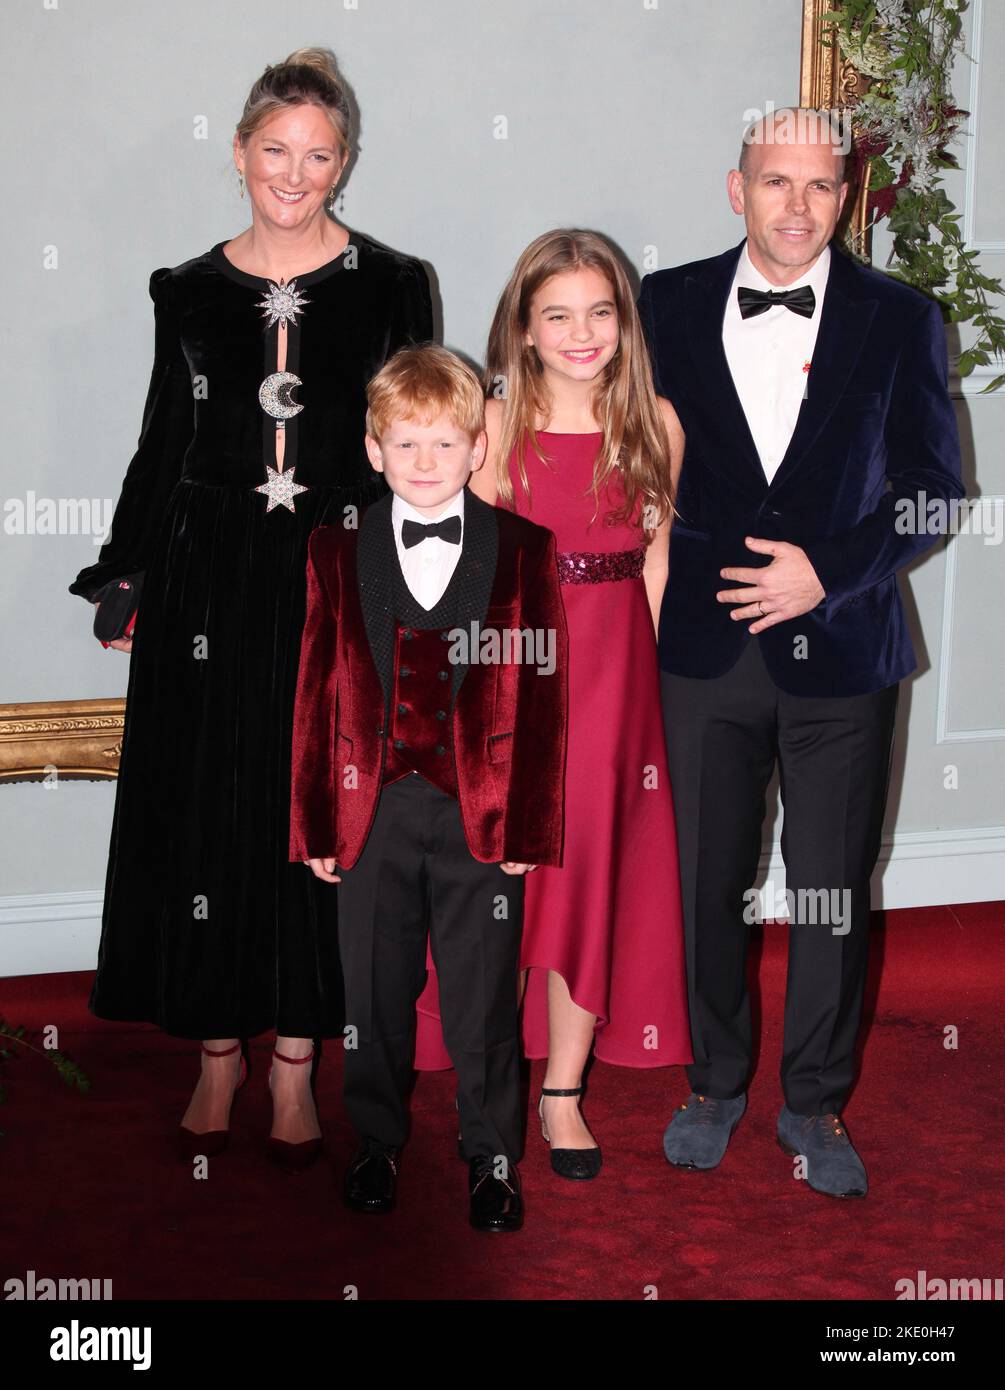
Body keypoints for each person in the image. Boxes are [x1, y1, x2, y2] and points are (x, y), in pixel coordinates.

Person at [68, 48, 432, 1171]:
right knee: (208, 809)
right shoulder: (185, 290)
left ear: (344, 163)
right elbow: (161, 444)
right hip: (205, 578)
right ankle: (219, 1047)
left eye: (319, 154)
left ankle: (295, 1061)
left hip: (334, 574)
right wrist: (127, 572)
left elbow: (407, 443)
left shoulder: (392, 283)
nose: (295, 171)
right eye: (276, 149)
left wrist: (409, 585)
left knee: (312, 814)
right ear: (238, 153)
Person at [640, 108, 965, 1196]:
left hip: (847, 648)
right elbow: (614, 458)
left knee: (829, 889)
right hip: (702, 647)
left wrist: (828, 571)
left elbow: (934, 491)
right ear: (737, 190)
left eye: (820, 187)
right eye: (776, 183)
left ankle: (816, 1103)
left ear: (847, 196)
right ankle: (714, 1082)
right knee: (709, 884)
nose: (797, 206)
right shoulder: (661, 304)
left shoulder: (903, 317)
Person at [414, 229, 693, 1179]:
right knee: (502, 883)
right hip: (514, 676)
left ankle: (562, 1091)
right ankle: (487, 1073)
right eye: (557, 316)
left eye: (599, 313)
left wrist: (640, 694)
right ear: (524, 329)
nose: (582, 334)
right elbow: (463, 574)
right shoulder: (489, 425)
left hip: (618, 683)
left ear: (623, 322)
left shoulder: (655, 422)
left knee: (590, 880)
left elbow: (653, 562)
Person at [289, 345, 568, 1231]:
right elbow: (313, 688)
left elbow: (542, 694)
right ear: (373, 450)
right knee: (372, 993)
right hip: (369, 811)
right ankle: (376, 1140)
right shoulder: (336, 550)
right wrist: (316, 822)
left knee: (481, 994)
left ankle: (492, 1155)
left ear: (477, 447)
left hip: (477, 815)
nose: (423, 463)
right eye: (404, 445)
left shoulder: (522, 550)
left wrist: (528, 824)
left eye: (443, 445)